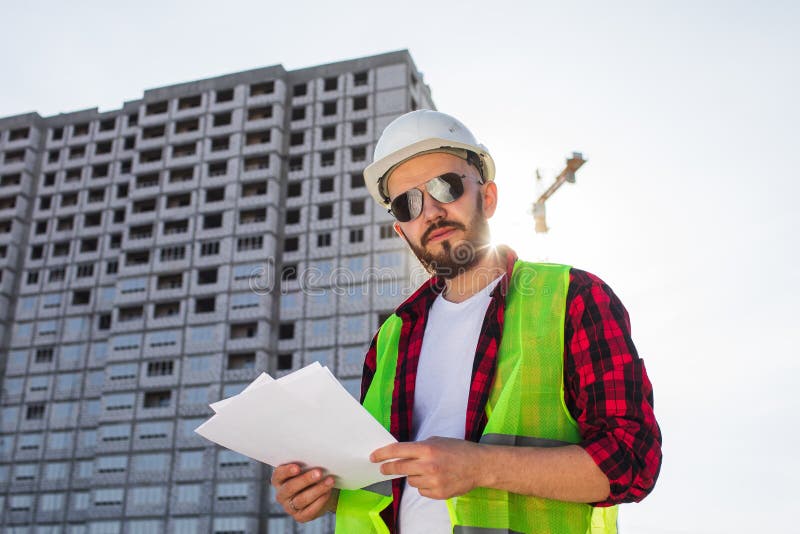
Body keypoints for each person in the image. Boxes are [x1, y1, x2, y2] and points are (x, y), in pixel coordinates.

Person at [271, 110, 662, 533]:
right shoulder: (391, 339)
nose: (431, 210)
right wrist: (327, 491)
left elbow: (633, 461)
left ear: (488, 198)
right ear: (402, 231)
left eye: (446, 186)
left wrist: (479, 467)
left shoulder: (572, 297)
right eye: (408, 202)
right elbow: (387, 484)